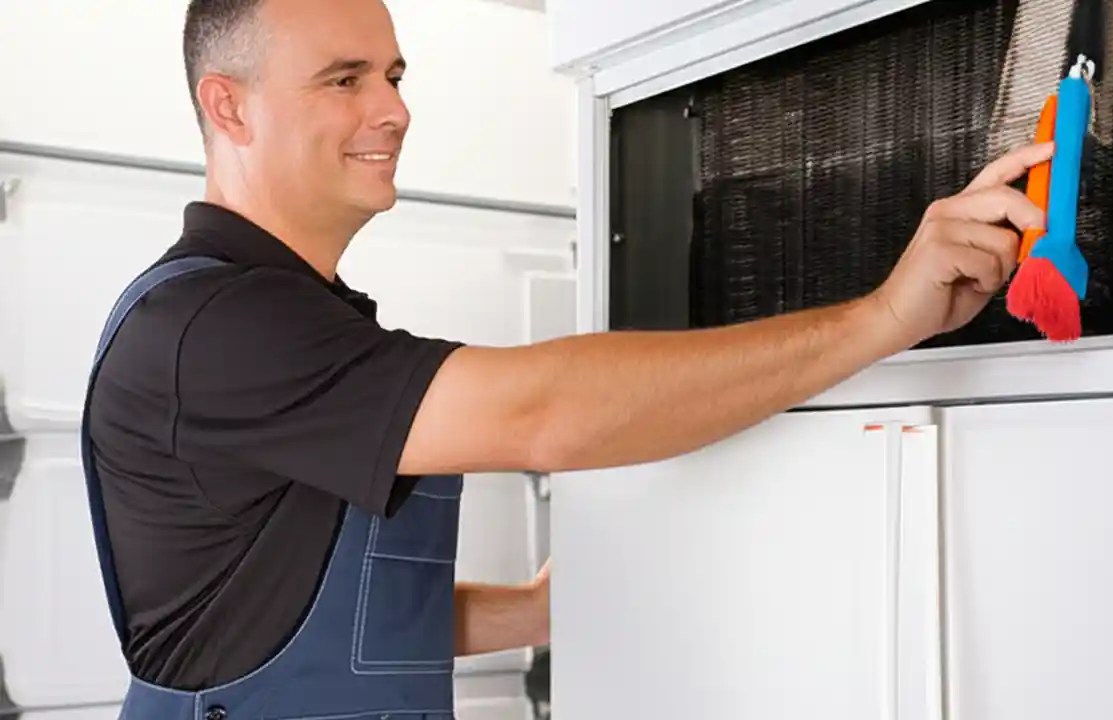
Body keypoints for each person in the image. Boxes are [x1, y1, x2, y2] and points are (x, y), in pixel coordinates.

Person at [81, 0, 1053, 718]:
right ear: (231, 105)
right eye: (345, 80)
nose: (392, 111)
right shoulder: (217, 324)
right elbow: (538, 416)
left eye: (394, 76)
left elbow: (294, 616)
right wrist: (883, 318)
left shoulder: (273, 314)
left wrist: (541, 611)